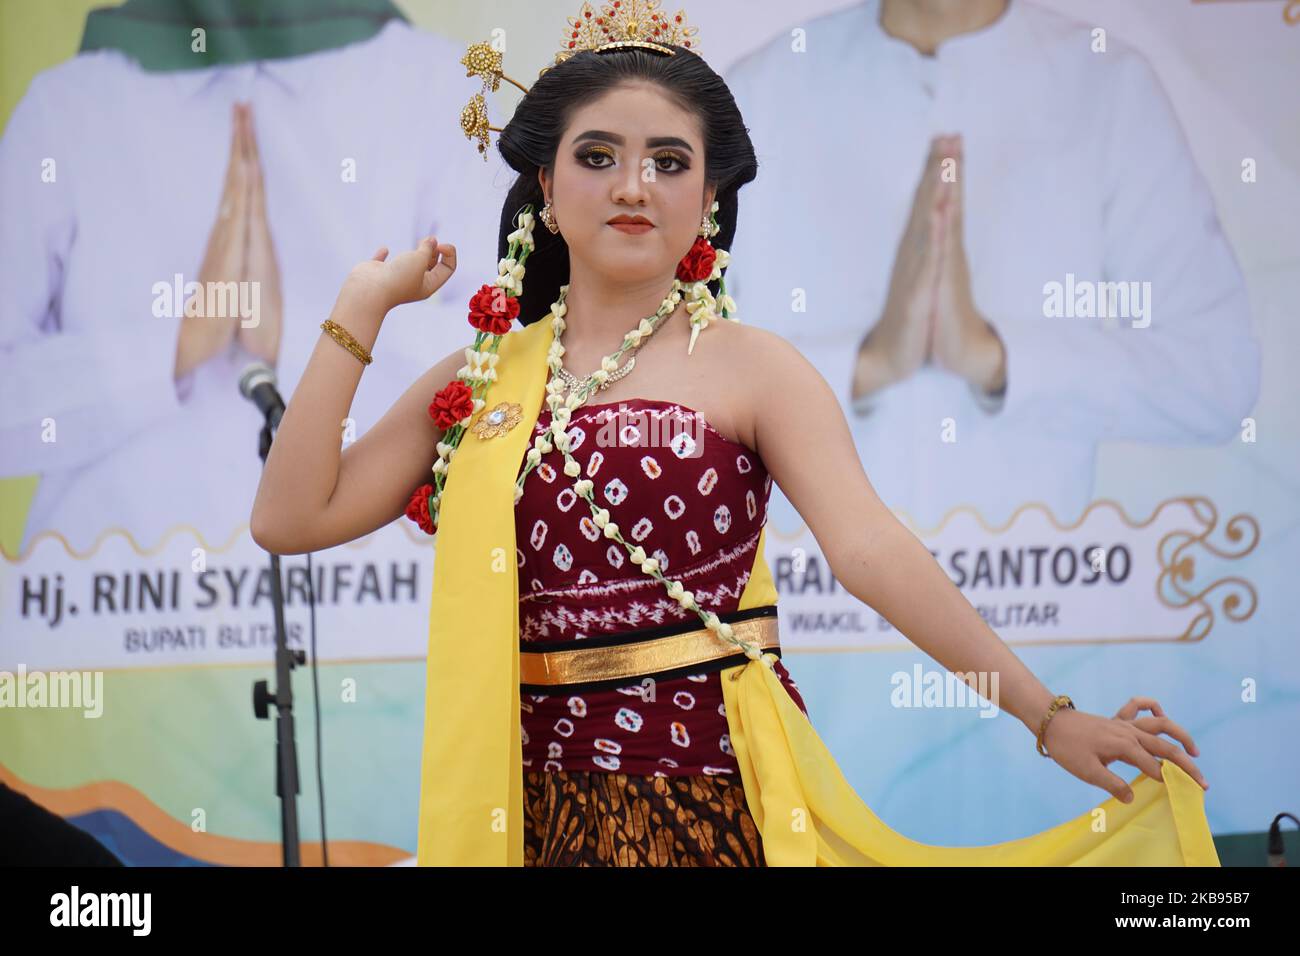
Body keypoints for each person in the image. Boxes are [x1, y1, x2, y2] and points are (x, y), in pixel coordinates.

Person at [250, 5, 1217, 867]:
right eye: (599, 156)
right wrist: (359, 310)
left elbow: (872, 551)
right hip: (529, 816)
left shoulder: (753, 367)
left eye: (669, 161)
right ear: (546, 188)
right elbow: (291, 517)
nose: (634, 184)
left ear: (709, 197)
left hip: (706, 808)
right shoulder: (481, 379)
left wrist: (1047, 718)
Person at [723, 0, 1260, 531]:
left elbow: (1217, 378)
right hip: (796, 605)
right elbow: (663, 392)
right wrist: (867, 364)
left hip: (1035, 600)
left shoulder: (1108, 88)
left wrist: (996, 359)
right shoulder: (757, 94)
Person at [0, 0, 500, 555]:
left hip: (369, 593)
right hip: (103, 598)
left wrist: (316, 329)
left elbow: (508, 351)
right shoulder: (67, 106)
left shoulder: (434, 85)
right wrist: (176, 346)